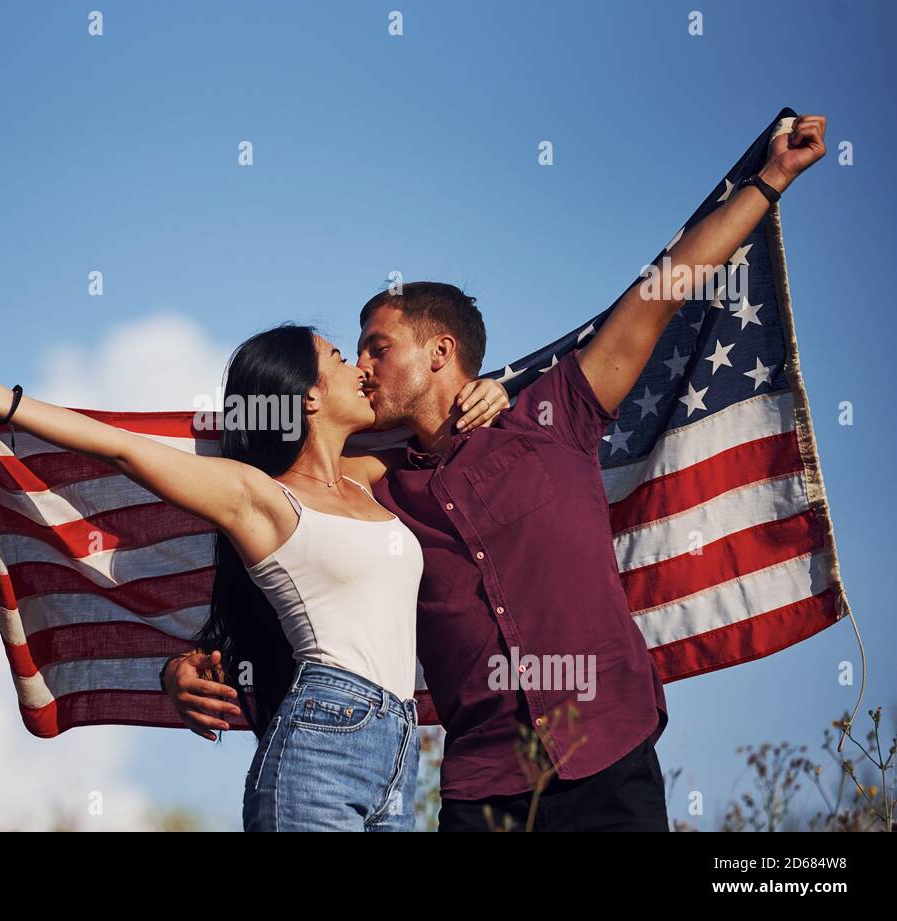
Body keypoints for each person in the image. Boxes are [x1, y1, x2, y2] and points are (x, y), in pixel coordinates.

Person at [165, 114, 828, 831]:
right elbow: (274, 511)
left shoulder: (558, 413)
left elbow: (660, 292)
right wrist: (194, 657)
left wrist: (771, 180)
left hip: (611, 760)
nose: (361, 367)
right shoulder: (376, 489)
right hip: (481, 791)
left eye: (377, 348)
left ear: (441, 351)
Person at [0, 326, 510, 831]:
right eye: (339, 357)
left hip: (398, 755)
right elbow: (123, 450)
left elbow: (450, 430)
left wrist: (493, 393)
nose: (360, 369)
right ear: (307, 396)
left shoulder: (370, 475)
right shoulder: (258, 496)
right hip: (322, 741)